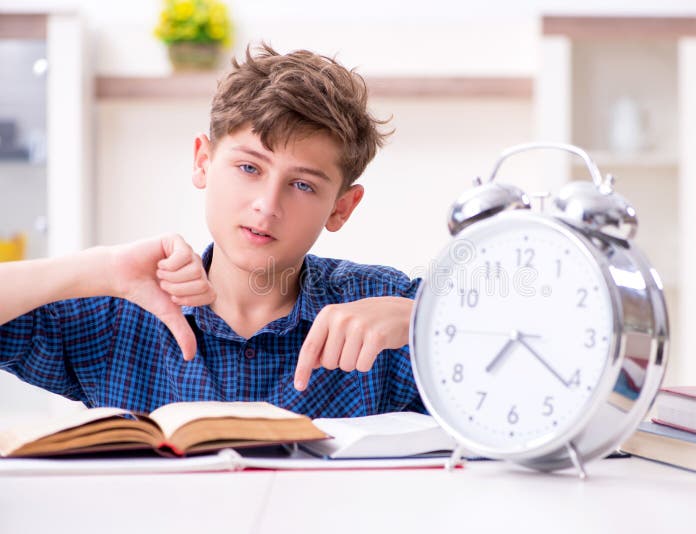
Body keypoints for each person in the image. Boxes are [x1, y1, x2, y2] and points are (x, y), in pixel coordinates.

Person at [0, 43, 425, 418]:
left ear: (341, 207)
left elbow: (491, 390)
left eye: (302, 185)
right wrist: (102, 268)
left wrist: (419, 322)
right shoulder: (119, 313)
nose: (267, 205)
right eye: (248, 168)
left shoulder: (384, 310)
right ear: (203, 161)